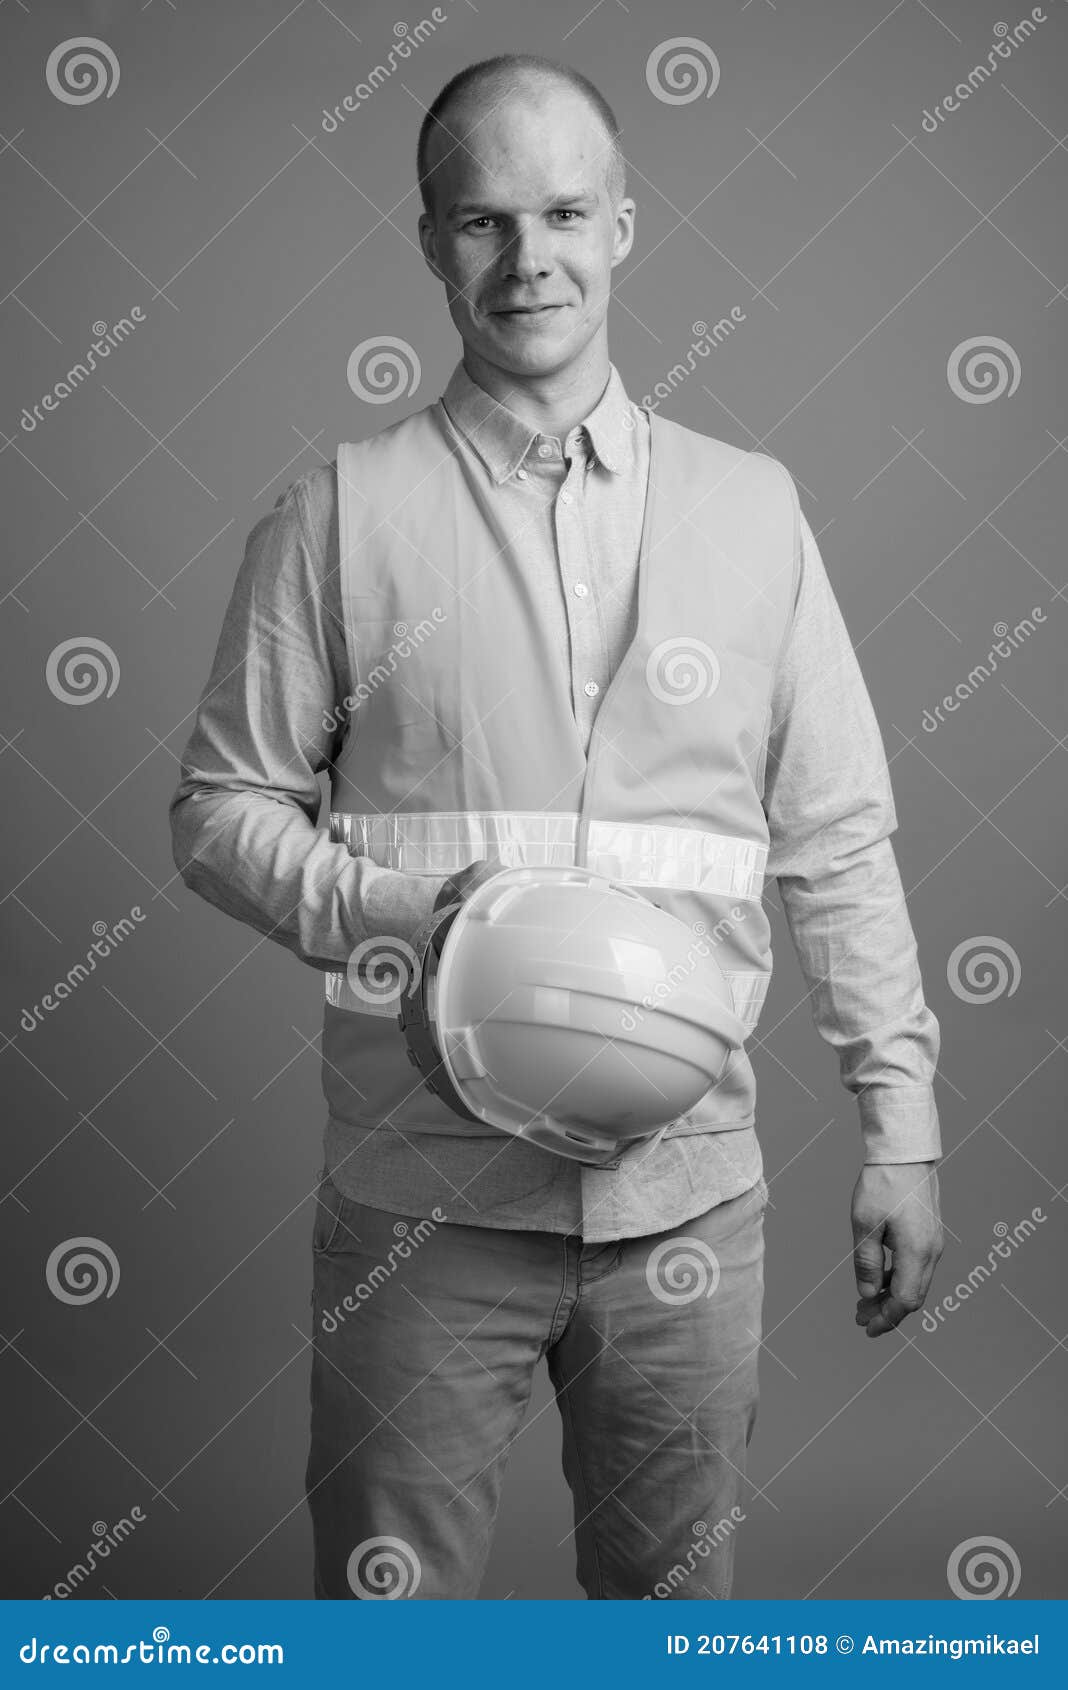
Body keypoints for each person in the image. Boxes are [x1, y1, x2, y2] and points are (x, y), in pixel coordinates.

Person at [169, 52, 945, 1601]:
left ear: (627, 229)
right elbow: (217, 813)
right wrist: (411, 911)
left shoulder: (754, 510)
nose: (531, 261)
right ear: (431, 240)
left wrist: (900, 1123)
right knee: (393, 1636)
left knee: (669, 1629)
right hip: (422, 1204)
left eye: (568, 213)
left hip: (692, 1205)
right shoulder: (339, 513)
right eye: (485, 221)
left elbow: (837, 836)